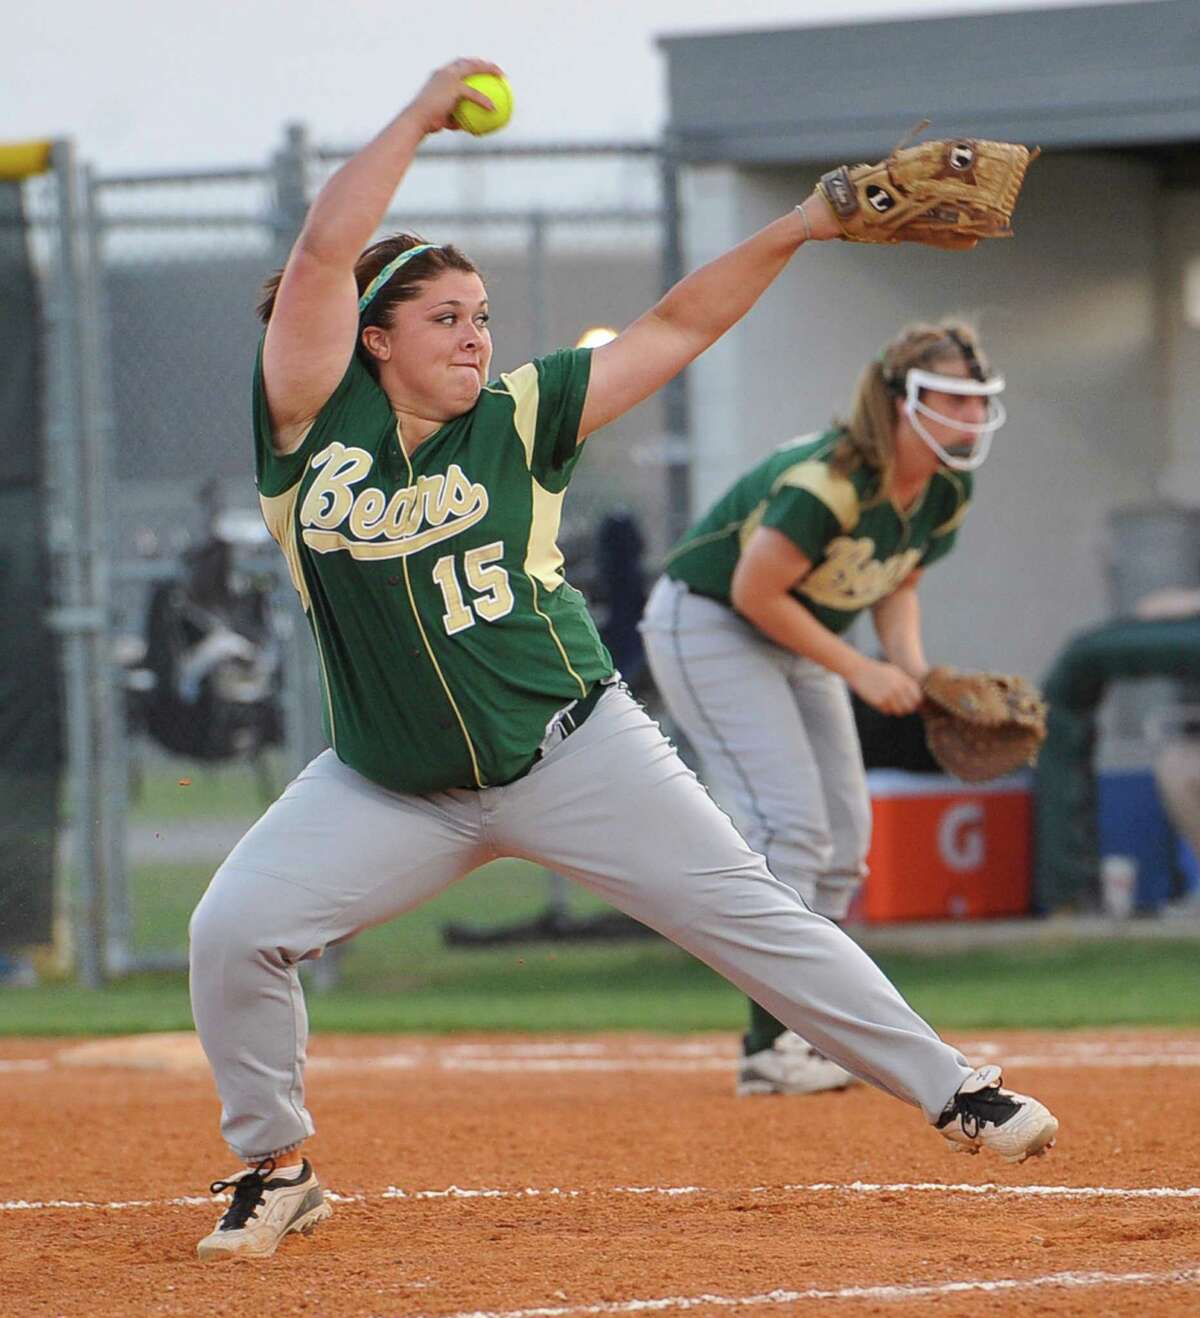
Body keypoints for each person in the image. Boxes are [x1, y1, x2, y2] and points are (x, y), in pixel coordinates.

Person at [188, 60, 1058, 1262]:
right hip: (390, 783)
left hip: (575, 750)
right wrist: (426, 115)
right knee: (234, 929)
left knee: (754, 915)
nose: (476, 335)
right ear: (371, 338)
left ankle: (956, 1088)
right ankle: (273, 1167)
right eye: (445, 317)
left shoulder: (521, 413)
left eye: (483, 314)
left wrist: (808, 221)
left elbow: (681, 322)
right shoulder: (304, 427)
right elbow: (330, 248)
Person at [640, 319, 1004, 1096]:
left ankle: (800, 1038)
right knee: (791, 827)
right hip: (710, 622)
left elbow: (897, 578)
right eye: (953, 400)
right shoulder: (829, 480)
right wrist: (863, 674)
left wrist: (914, 671)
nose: (971, 418)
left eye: (979, 403)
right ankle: (768, 1051)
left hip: (795, 637)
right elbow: (754, 592)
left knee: (845, 838)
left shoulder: (945, 487)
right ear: (903, 402)